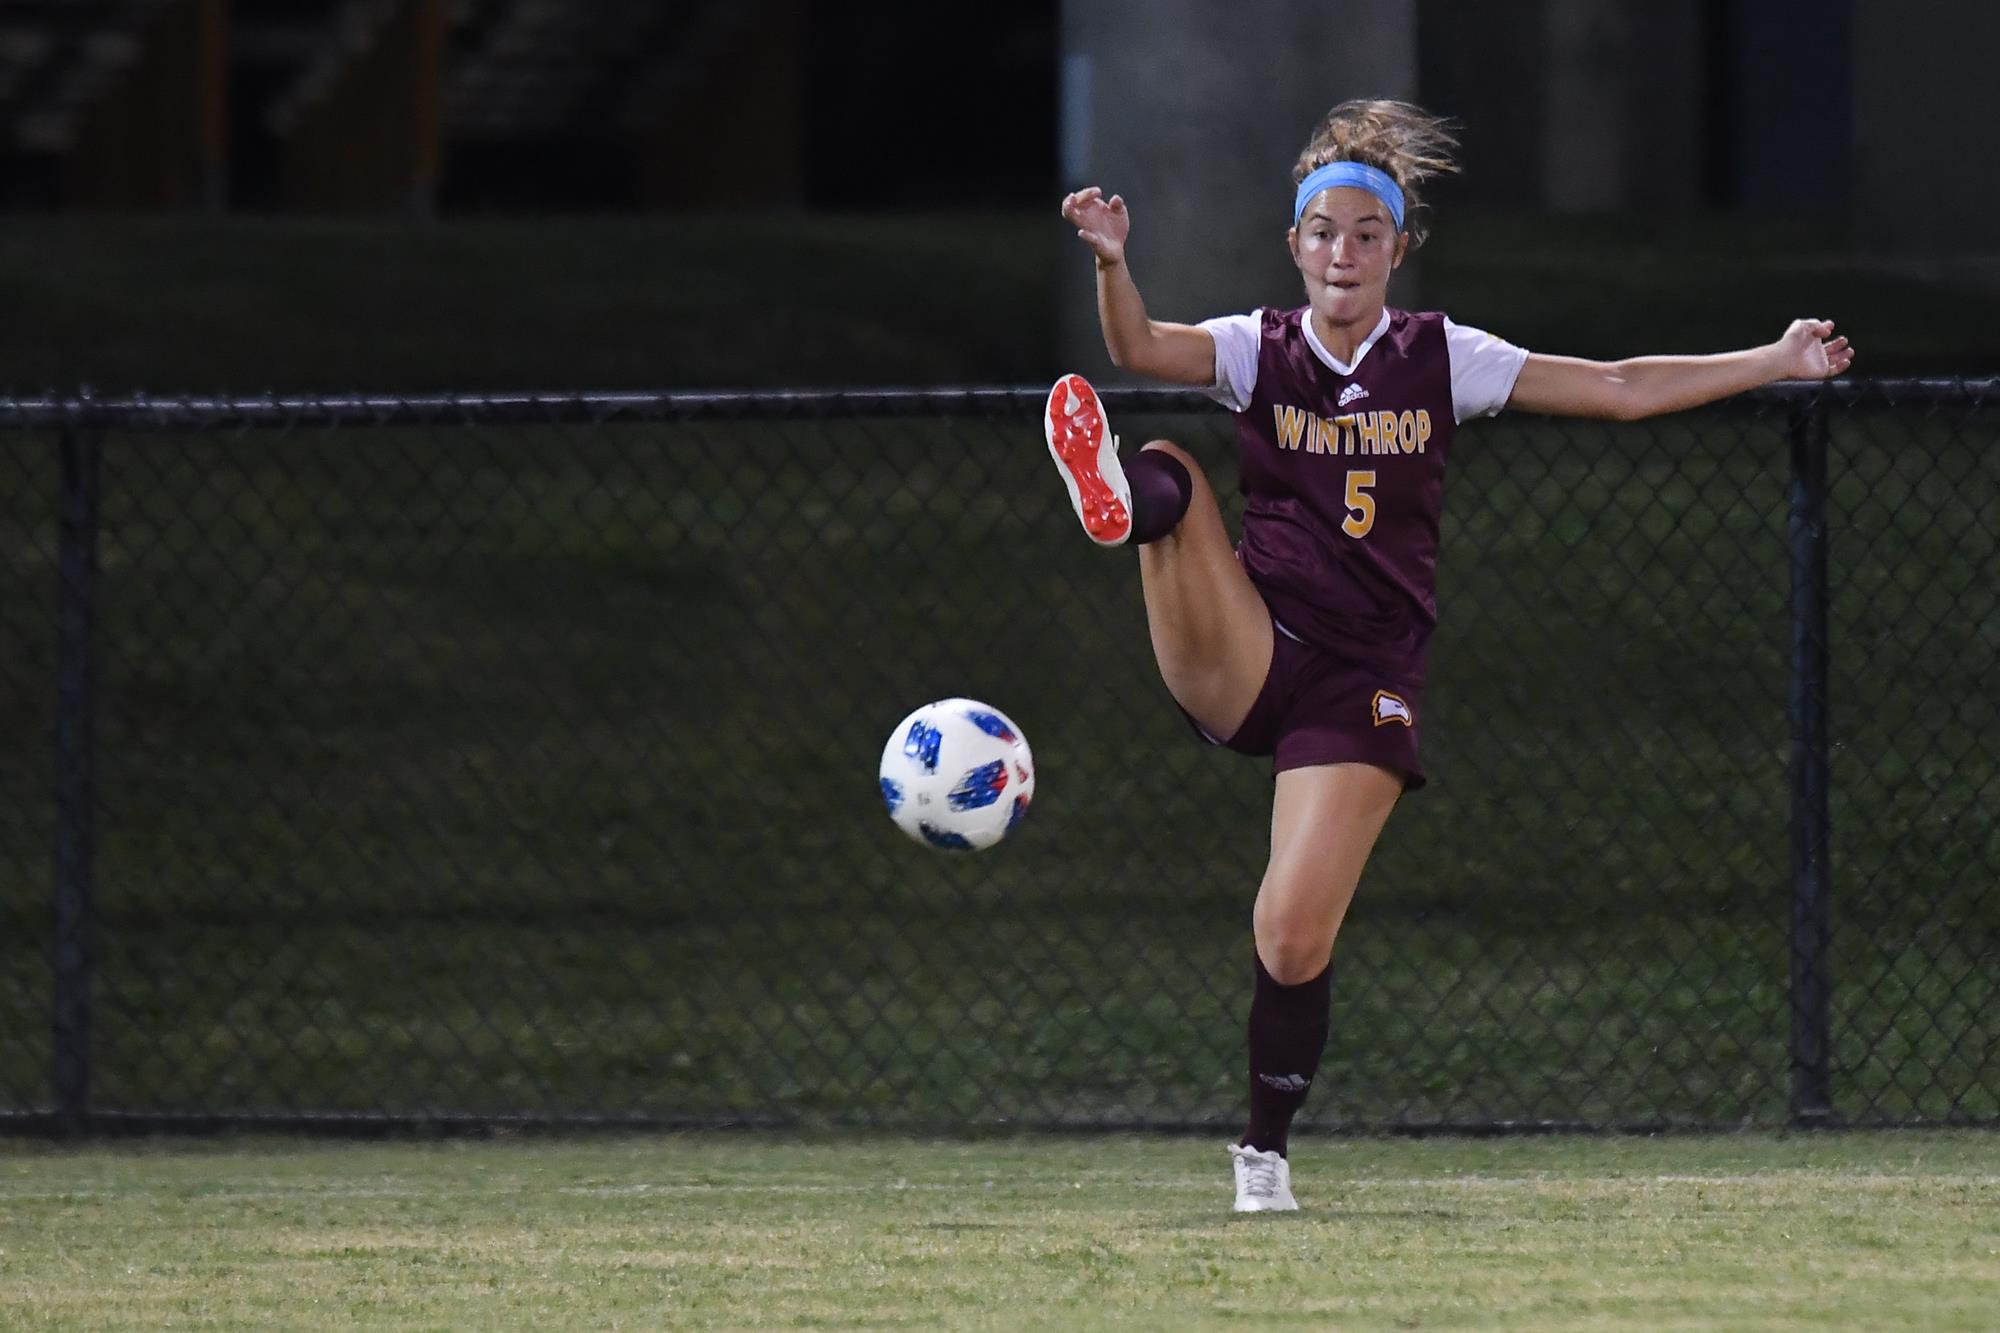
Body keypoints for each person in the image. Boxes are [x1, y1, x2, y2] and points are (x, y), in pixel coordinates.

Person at [1045, 99, 1854, 1213]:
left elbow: (1615, 389)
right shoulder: (1254, 347)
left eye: (1364, 235)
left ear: (1397, 251)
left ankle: (1262, 1154)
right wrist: (1110, 263)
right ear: (1294, 246)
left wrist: (1773, 357)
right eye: (1321, 233)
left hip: (1357, 679)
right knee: (1168, 473)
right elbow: (1136, 348)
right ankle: (1120, 506)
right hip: (1247, 644)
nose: (1341, 252)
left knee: (1288, 926)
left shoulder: (1442, 359)